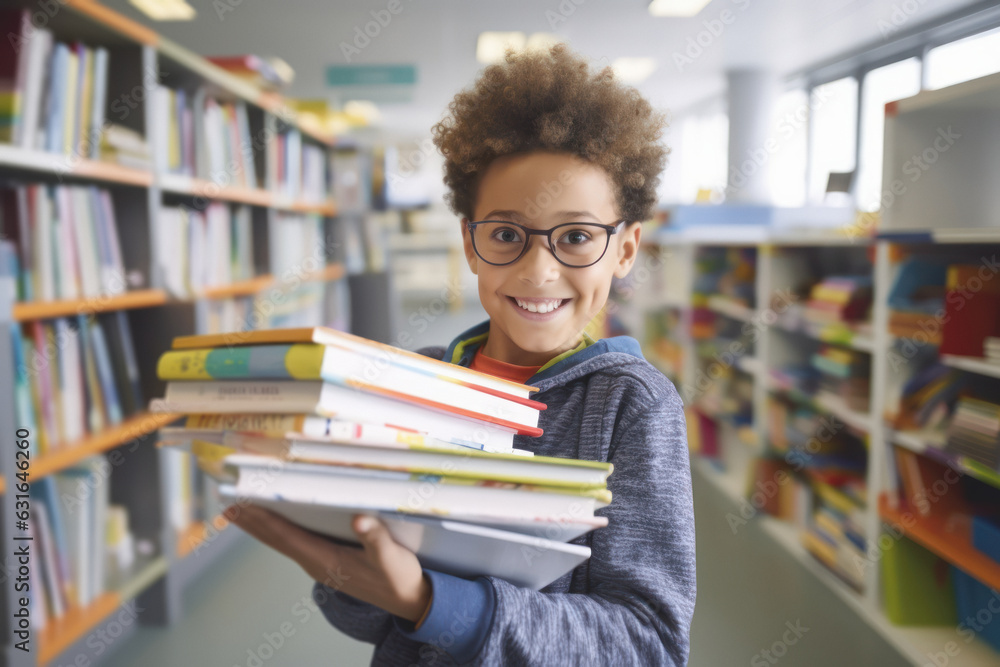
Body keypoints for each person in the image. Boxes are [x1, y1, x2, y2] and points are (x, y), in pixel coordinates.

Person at [224, 43, 696, 666]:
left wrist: (431, 602)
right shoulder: (414, 381)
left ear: (626, 250)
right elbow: (369, 617)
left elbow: (650, 645)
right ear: (470, 243)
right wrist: (347, 570)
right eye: (505, 234)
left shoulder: (633, 405)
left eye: (577, 236)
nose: (538, 271)